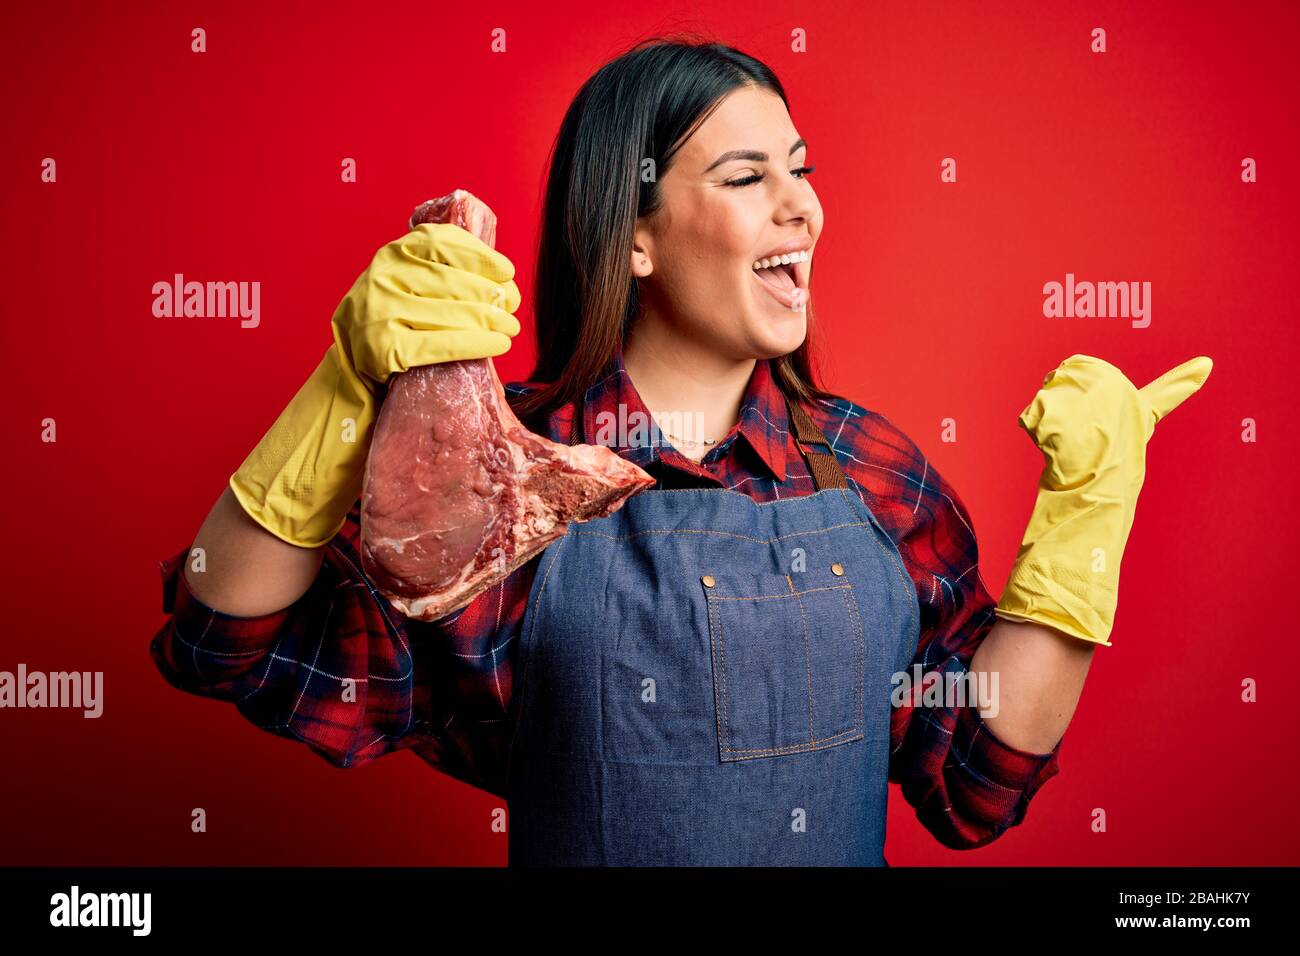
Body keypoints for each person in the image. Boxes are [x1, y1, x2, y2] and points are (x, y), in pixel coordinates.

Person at [149, 37, 1211, 866]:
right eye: (747, 176)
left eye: (800, 168)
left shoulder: (872, 470)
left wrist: (1087, 513)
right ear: (633, 236)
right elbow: (223, 639)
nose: (802, 203)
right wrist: (346, 390)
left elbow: (976, 777)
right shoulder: (501, 467)